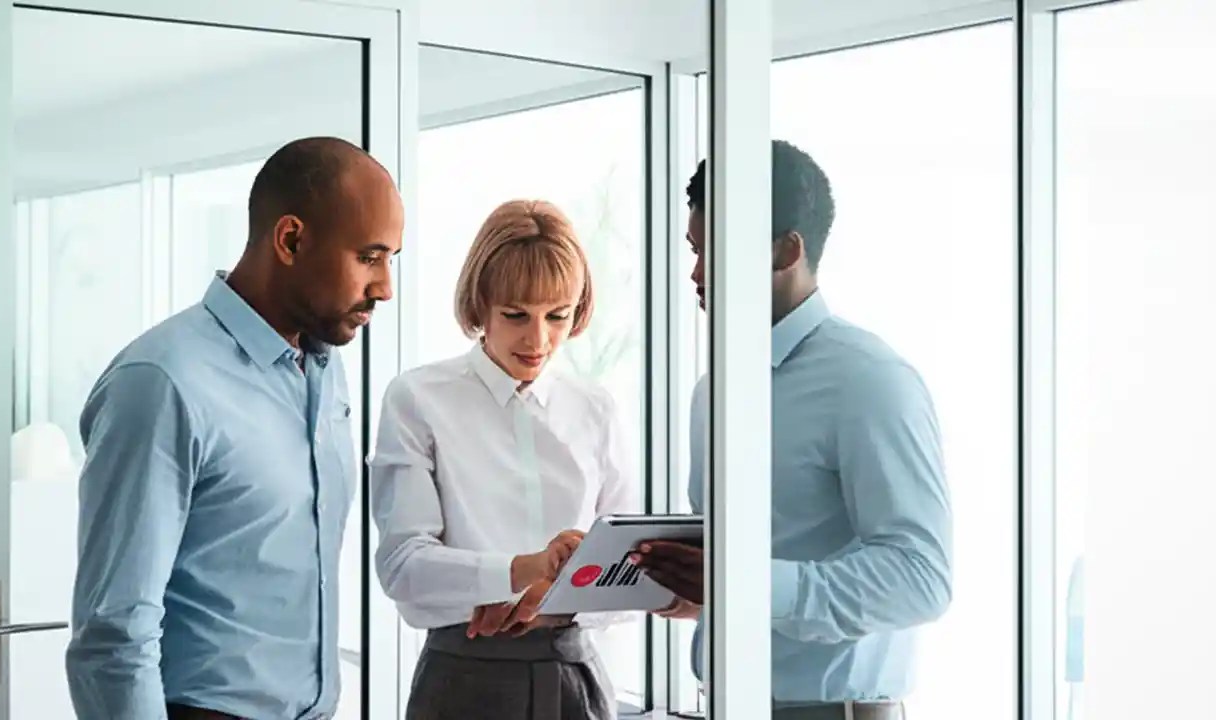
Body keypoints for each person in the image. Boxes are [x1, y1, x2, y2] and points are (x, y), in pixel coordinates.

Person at [66, 137, 404, 720]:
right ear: (292, 239)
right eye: (369, 257)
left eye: (391, 259)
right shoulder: (162, 382)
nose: (385, 287)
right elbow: (114, 633)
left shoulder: (323, 370)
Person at [633, 141, 953, 720]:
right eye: (694, 250)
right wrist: (695, 588)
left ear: (786, 250)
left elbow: (921, 577)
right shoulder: (714, 391)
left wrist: (746, 586)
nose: (697, 274)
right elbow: (767, 561)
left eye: (716, 251)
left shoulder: (871, 381)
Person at [370, 199, 637, 720]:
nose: (538, 340)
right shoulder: (418, 398)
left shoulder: (596, 409)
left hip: (574, 680)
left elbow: (630, 575)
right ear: (480, 306)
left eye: (557, 316)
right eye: (515, 316)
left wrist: (559, 593)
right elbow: (402, 567)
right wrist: (522, 571)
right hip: (462, 679)